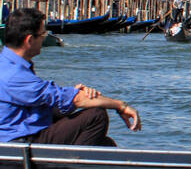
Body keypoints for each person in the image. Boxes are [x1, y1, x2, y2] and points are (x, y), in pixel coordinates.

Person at [0, 8, 141, 146]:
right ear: (29, 40)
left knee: (105, 143)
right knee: (96, 115)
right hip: (21, 141)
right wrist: (120, 105)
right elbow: (66, 98)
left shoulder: (8, 64)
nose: (43, 39)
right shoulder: (13, 75)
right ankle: (70, 167)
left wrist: (74, 96)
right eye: (43, 35)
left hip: (28, 132)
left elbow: (46, 100)